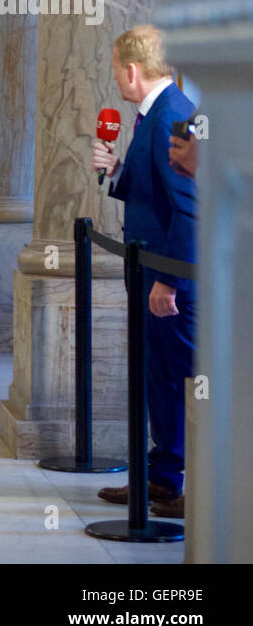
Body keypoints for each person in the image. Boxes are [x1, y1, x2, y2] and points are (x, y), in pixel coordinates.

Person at [91, 25, 197, 518]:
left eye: (115, 68)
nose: (114, 77)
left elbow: (188, 207)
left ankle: (194, 488)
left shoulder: (173, 117)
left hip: (166, 277)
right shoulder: (153, 114)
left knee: (184, 378)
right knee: (160, 376)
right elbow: (153, 189)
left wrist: (168, 280)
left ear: (132, 70)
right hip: (151, 266)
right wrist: (114, 170)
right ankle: (161, 478)